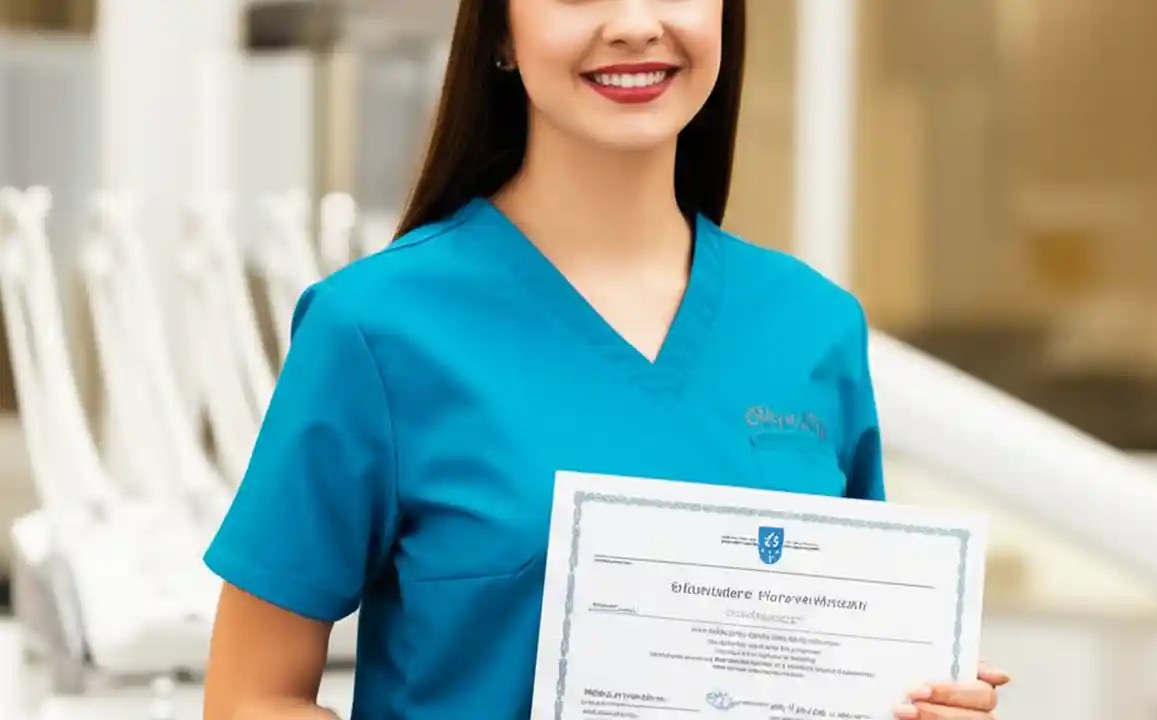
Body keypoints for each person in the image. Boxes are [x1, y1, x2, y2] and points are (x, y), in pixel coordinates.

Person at [201, 1, 1010, 719]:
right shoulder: (375, 328)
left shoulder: (813, 326)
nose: (632, 21)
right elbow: (249, 697)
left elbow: (849, 668)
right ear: (500, 35)